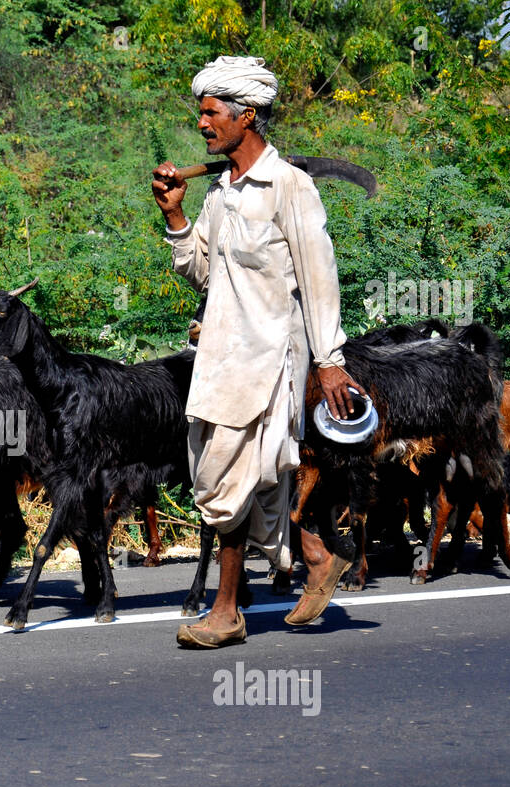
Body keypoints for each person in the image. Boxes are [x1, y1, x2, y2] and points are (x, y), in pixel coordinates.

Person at [150, 55, 364, 649]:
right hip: (221, 357)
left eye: (211, 113)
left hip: (272, 359)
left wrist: (330, 357)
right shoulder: (220, 193)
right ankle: (317, 558)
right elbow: (204, 275)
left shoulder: (289, 187)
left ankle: (226, 610)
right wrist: (175, 216)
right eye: (199, 114)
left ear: (247, 116)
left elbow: (320, 277)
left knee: (229, 477)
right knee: (254, 477)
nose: (201, 125)